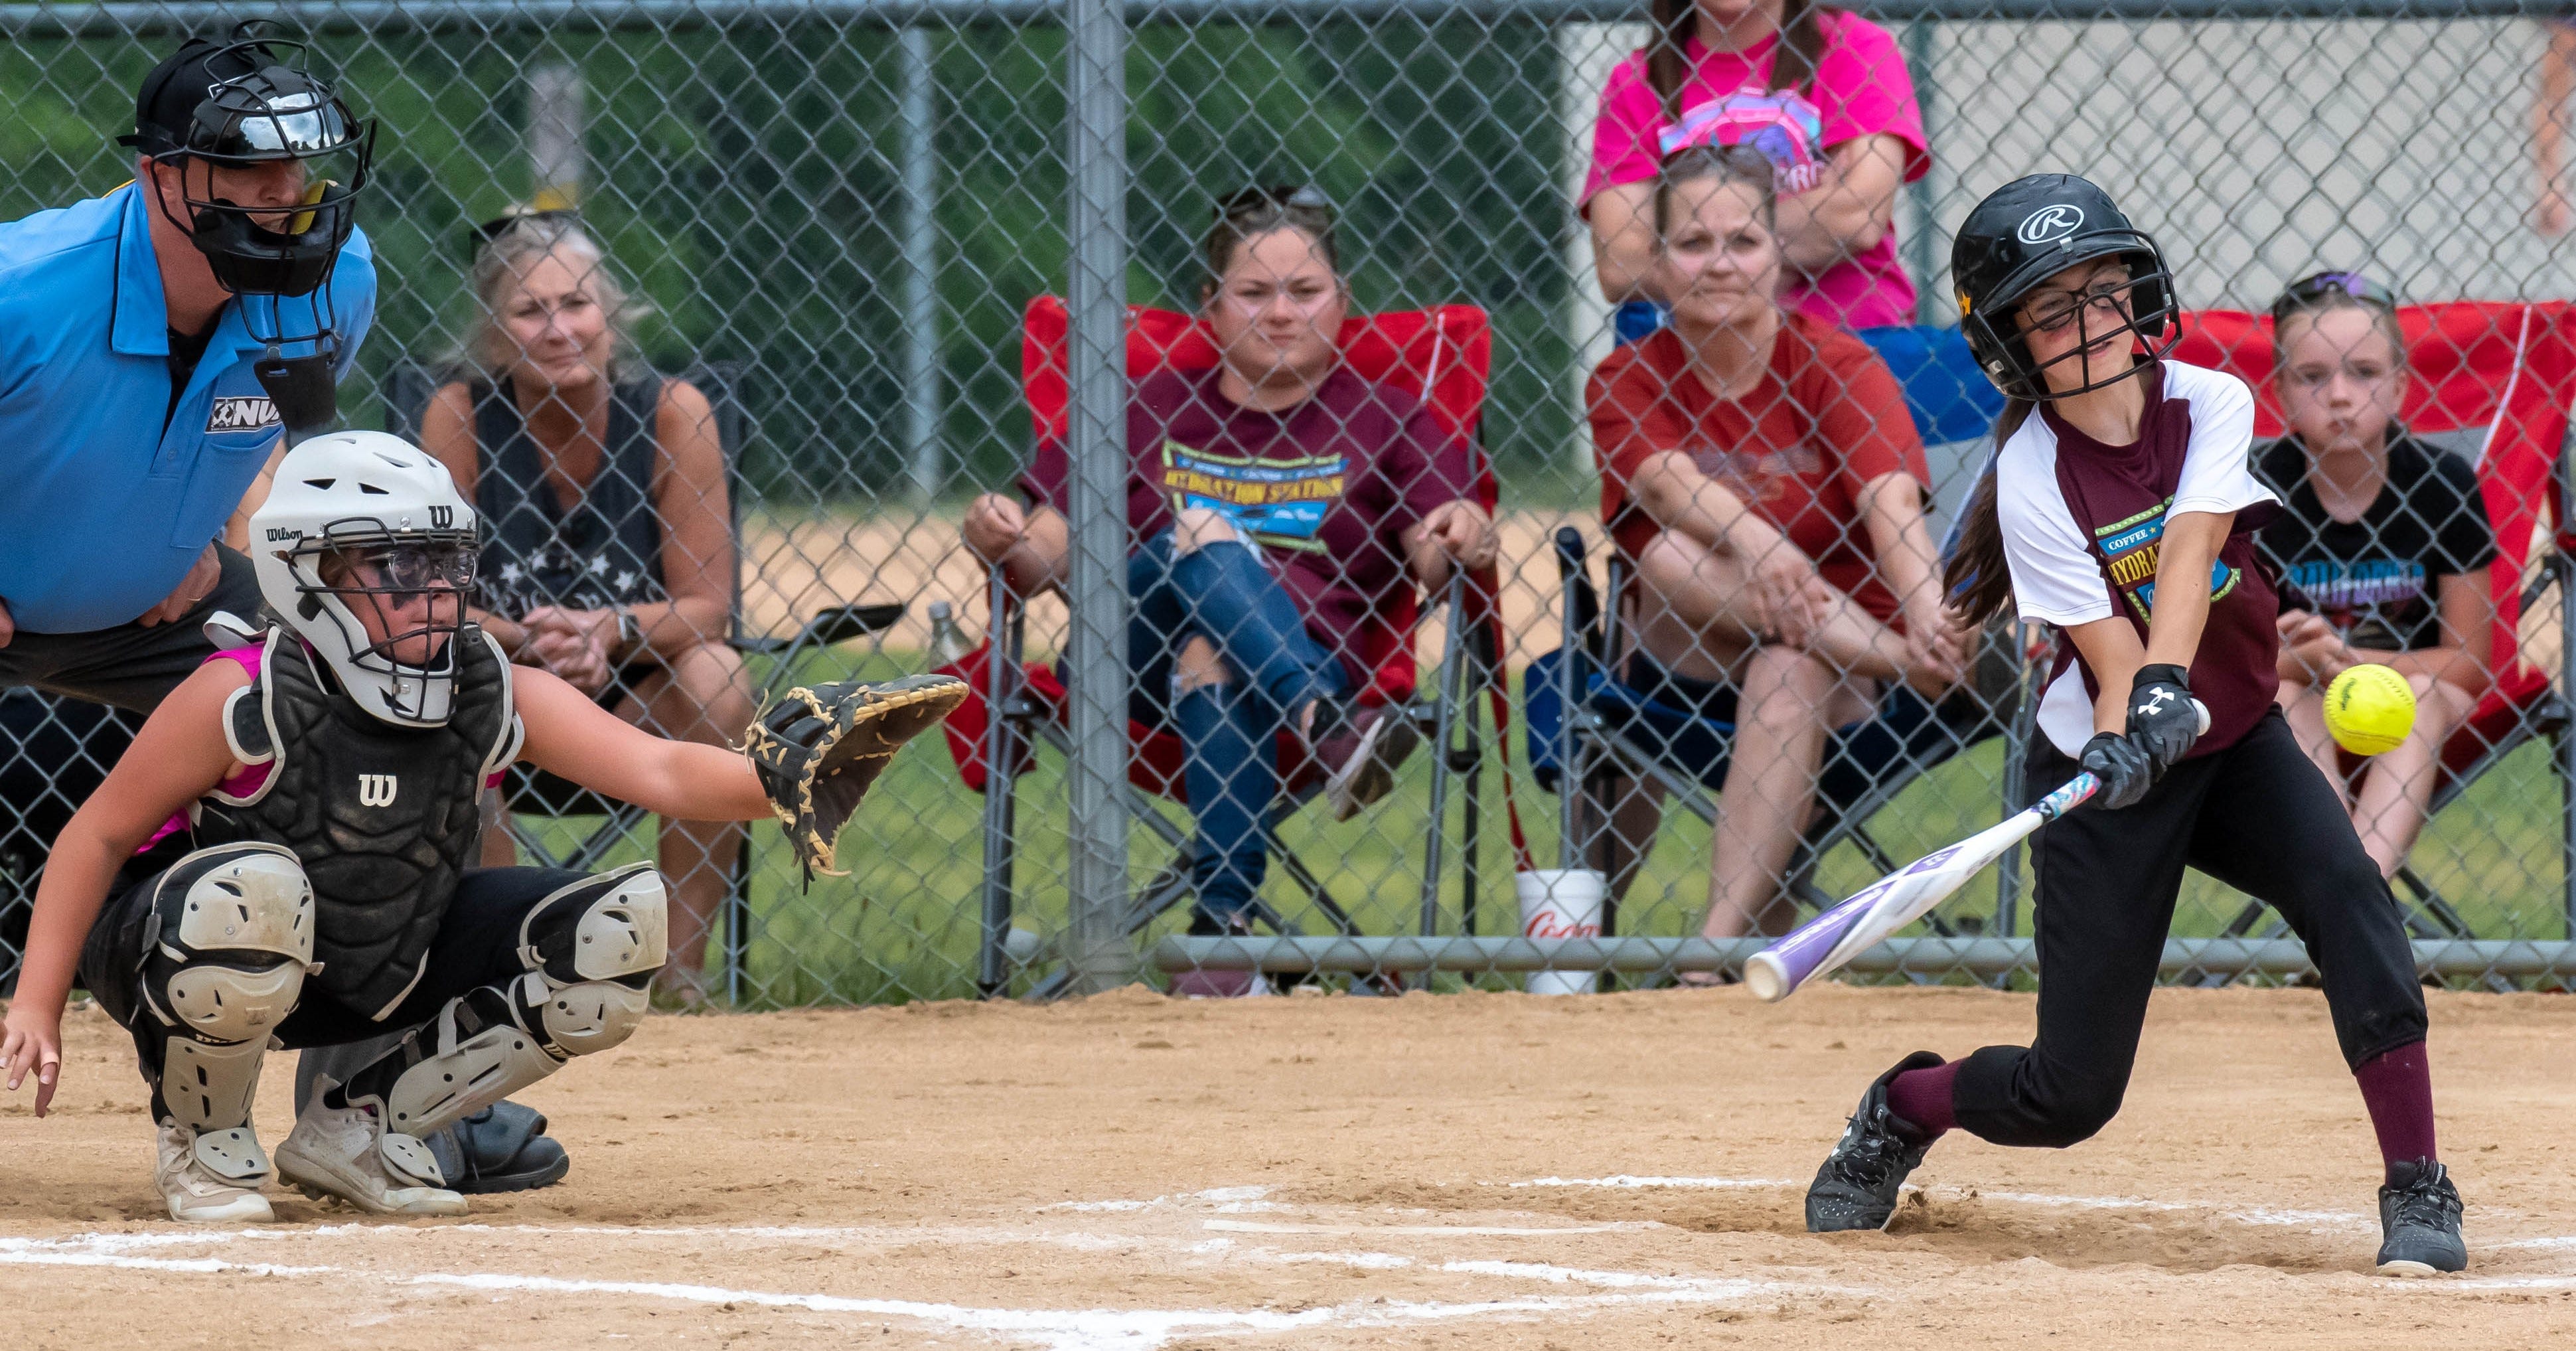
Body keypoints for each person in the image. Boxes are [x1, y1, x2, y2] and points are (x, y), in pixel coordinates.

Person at [0, 432, 962, 1222]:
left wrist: (782, 774)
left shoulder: (485, 685)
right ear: (306, 575)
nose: (432, 591)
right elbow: (96, 836)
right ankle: (204, 1135)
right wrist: (38, 1001)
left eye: (444, 564)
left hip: (375, 962)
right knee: (255, 886)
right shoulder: (240, 690)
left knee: (620, 924)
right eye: (393, 566)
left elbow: (663, 768)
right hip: (190, 953)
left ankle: (362, 1124)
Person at [1798, 175, 2462, 1276]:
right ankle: (1905, 1103)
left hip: (2240, 732)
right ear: (2012, 346)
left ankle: (2419, 1185)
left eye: (2105, 291)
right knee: (2070, 1096)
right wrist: (2134, 727)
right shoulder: (2027, 475)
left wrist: (2171, 688)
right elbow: (2110, 662)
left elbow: (2192, 556)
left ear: (2142, 292)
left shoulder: (2211, 401)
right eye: (2052, 311)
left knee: (2351, 897)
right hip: (2110, 767)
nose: (2093, 323)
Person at [0, 29, 553, 1189]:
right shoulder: (24, 289)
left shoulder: (328, 280)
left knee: (400, 713)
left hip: (159, 605)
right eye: (249, 171)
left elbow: (269, 447)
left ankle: (377, 1095)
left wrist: (209, 539)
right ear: (160, 176)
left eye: (297, 170)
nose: (284, 197)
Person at [962, 187, 1493, 990]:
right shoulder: (1138, 410)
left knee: (1211, 649)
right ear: (1211, 306)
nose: (1280, 312)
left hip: (1278, 659)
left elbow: (1432, 550)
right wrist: (997, 528)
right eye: (1253, 292)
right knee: (1200, 534)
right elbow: (1040, 559)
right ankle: (1323, 721)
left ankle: (1221, 936)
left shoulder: (1391, 418)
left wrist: (1462, 530)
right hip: (1123, 668)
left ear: (1341, 301)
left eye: (1305, 291)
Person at [1585, 143, 1961, 950]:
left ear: (1777, 256)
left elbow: (1889, 502)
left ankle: (1712, 953)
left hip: (1832, 672)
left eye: (1742, 242)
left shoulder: (1834, 361)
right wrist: (1760, 544)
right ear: (1656, 260)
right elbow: (1662, 485)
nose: (1718, 264)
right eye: (1691, 243)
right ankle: (1907, 663)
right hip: (1686, 657)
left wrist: (1930, 614)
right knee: (1668, 556)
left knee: (1789, 662)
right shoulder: (1624, 377)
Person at [419, 210, 753, 1006]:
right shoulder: (459, 417)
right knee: (440, 681)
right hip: (501, 698)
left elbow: (707, 606)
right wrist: (529, 638)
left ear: (610, 316)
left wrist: (609, 627)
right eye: (531, 311)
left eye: (576, 304)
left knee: (719, 674)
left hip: (637, 697)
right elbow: (430, 603)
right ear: (496, 336)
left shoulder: (675, 412)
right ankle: (503, 976)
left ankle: (676, 976)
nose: (559, 328)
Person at [2254, 273, 2496, 879]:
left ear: (2399, 387)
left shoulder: (2442, 483)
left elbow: (2467, 662)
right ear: (2281, 390)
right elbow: (2230, 659)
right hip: (2293, 691)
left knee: (2415, 696)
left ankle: (2353, 891)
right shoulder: (2249, 492)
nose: (2339, 395)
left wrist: (2350, 659)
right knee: (2285, 696)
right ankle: (2354, 899)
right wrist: (2298, 662)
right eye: (2312, 376)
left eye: (2362, 372)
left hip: (2422, 697)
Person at [1583, 0, 1928, 335]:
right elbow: (1621, 263)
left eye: (1743, 245)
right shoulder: (1637, 82)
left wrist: (1690, 244)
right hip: (1698, 359)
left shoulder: (1856, 47)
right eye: (1696, 244)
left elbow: (1857, 216)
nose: (1725, 261)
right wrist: (1792, 233)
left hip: (1852, 337)